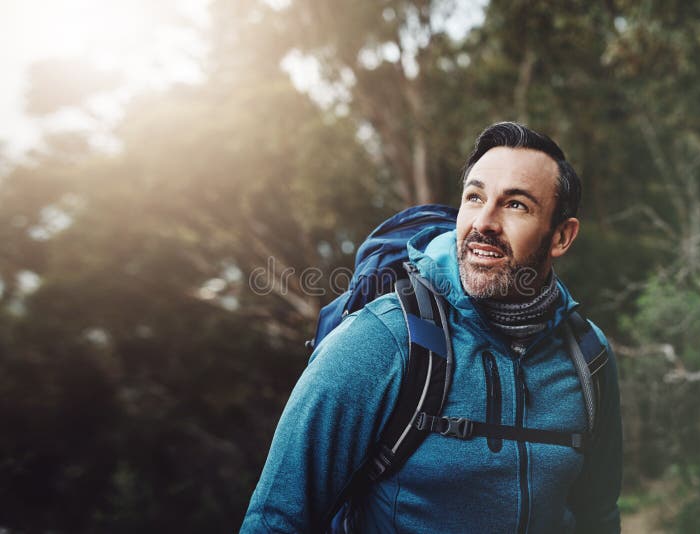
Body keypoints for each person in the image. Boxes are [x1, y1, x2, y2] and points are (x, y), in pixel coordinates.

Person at [242, 122, 622, 533]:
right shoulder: (383, 340)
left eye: (516, 205)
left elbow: (598, 516)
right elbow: (275, 520)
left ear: (561, 237)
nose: (485, 222)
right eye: (474, 197)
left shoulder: (588, 356)